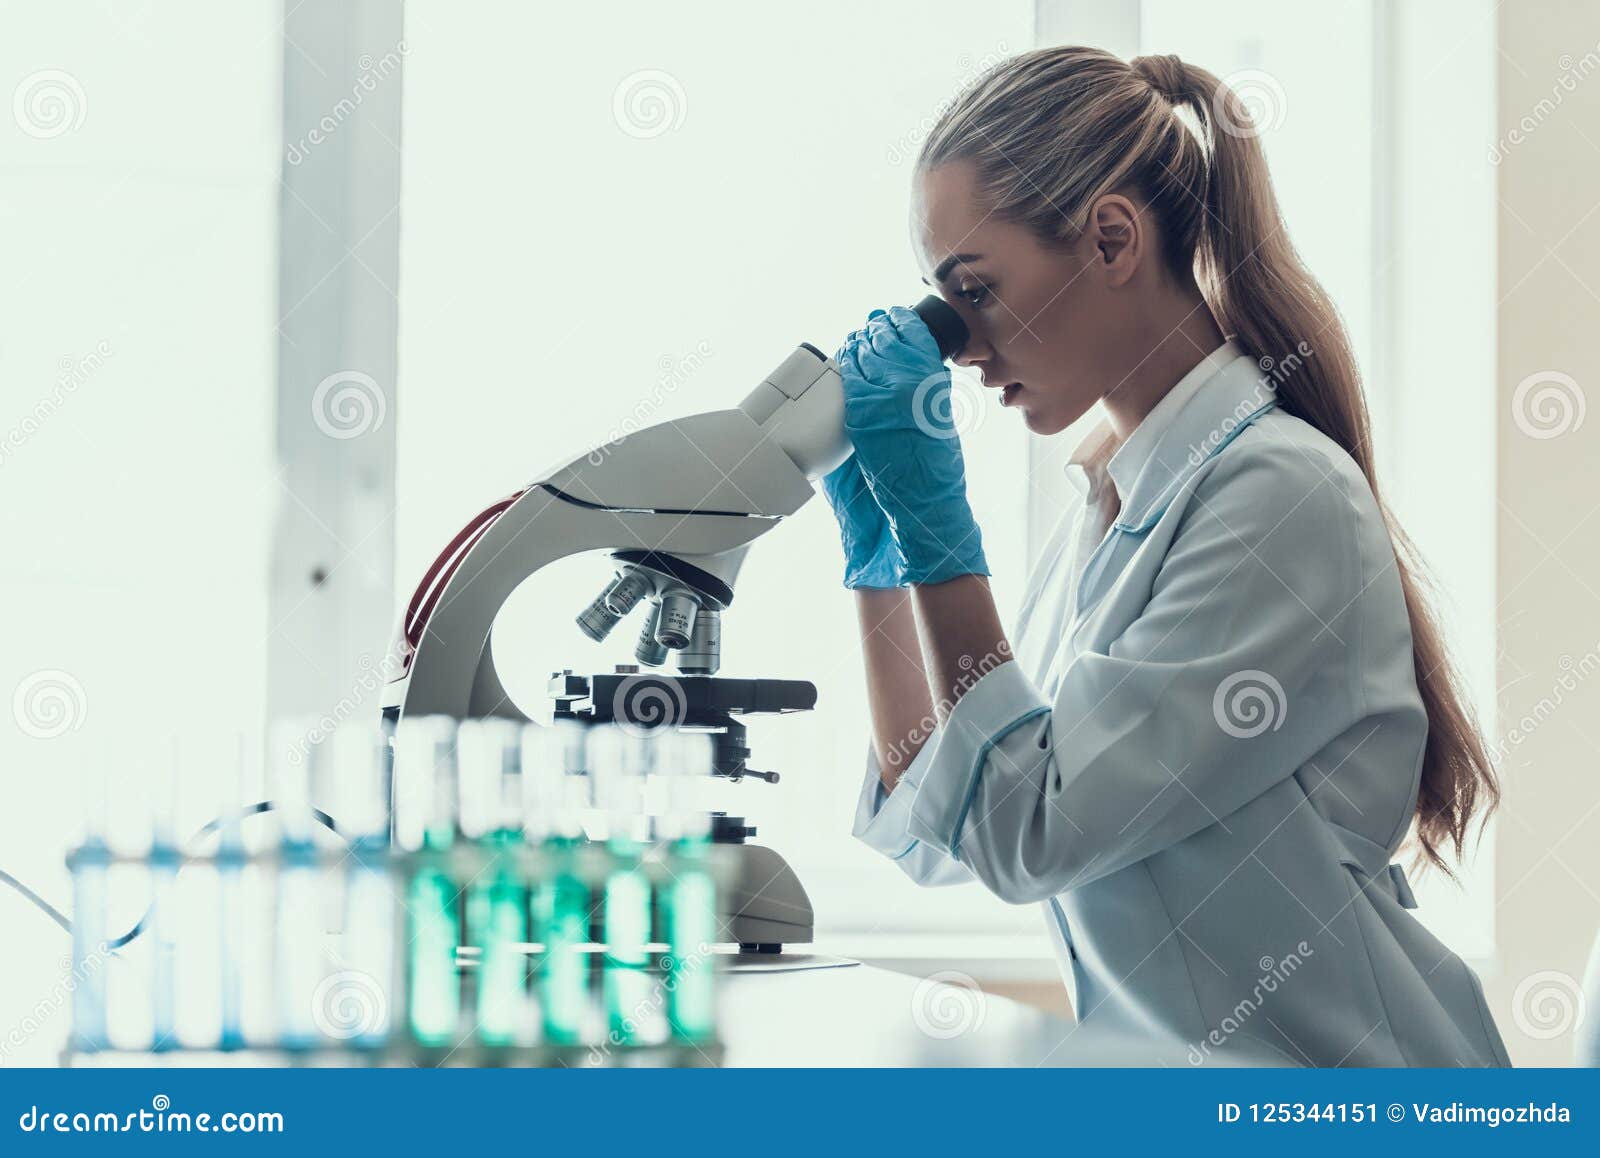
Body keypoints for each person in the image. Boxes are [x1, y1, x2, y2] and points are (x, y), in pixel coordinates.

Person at [823, 46, 1507, 1067]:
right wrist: (881, 560)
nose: (959, 349)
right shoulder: (1114, 500)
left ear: (1109, 238)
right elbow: (941, 824)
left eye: (976, 292)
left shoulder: (1275, 498)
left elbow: (1032, 832)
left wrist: (937, 544)